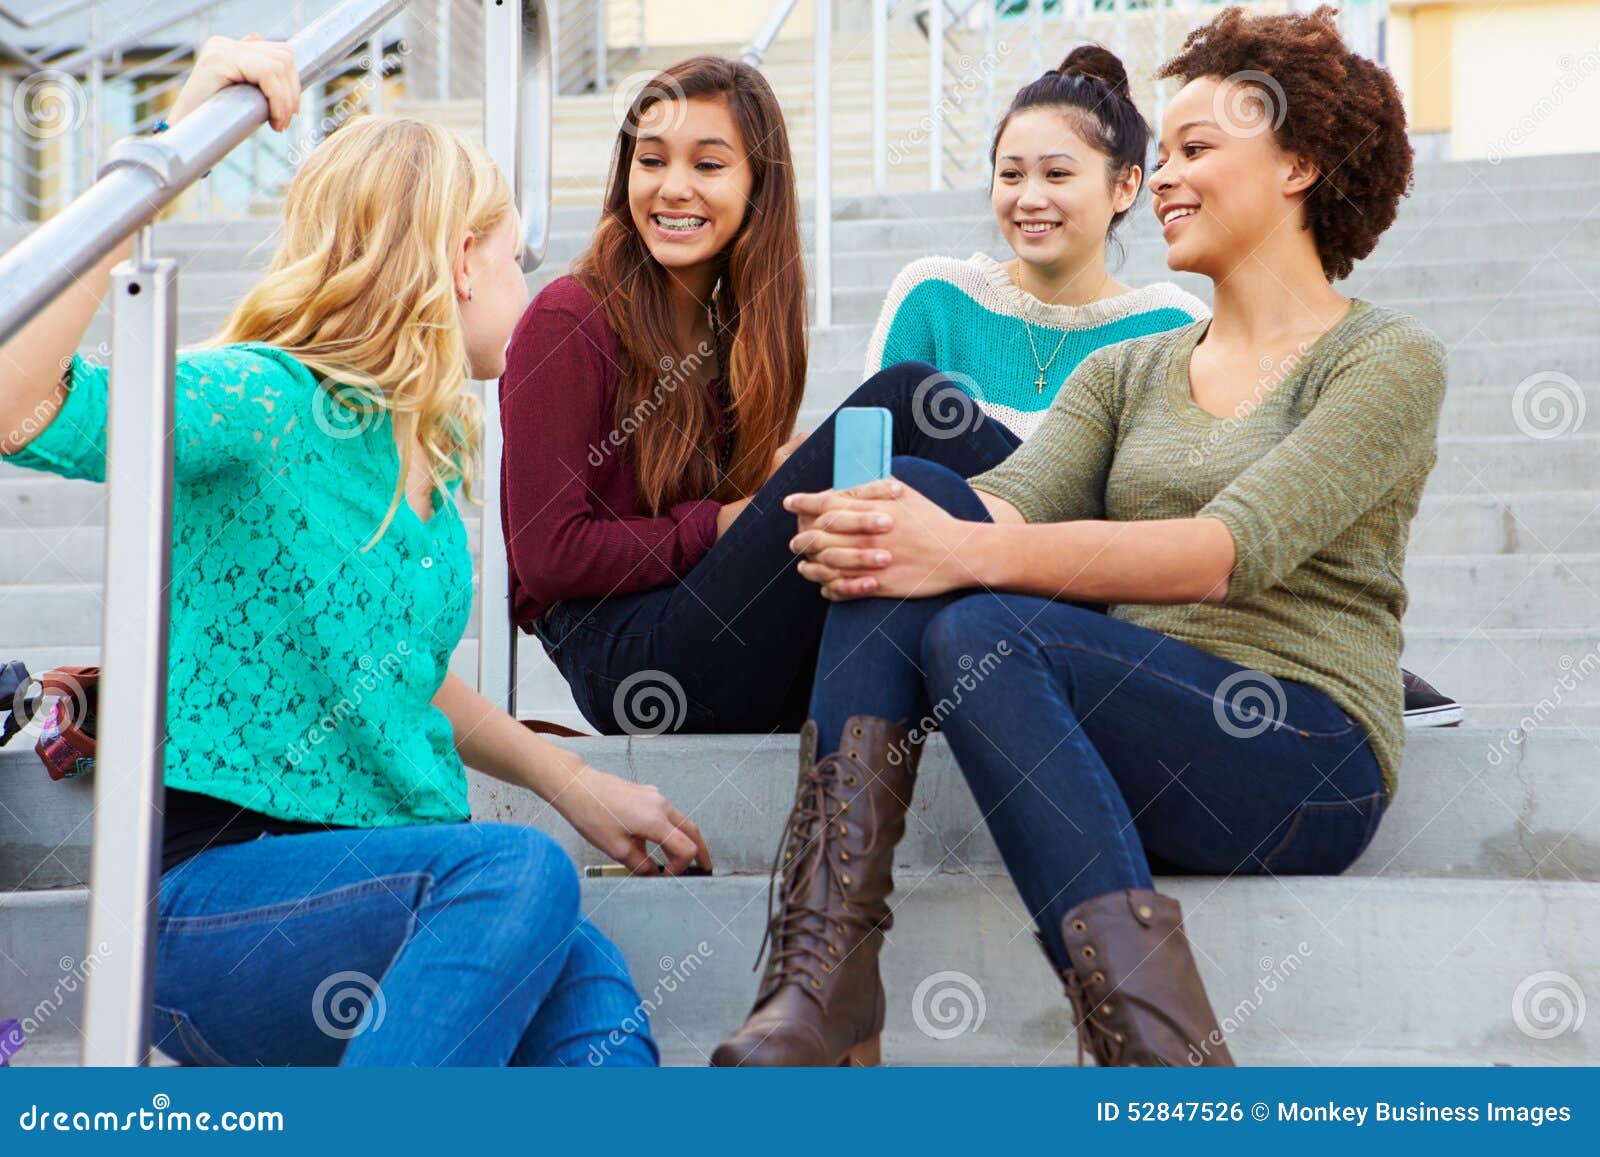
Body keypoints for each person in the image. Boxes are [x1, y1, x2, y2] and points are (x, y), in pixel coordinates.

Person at [715, 5, 1446, 1068]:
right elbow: (1000, 505)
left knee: (981, 624)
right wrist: (887, 530)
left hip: (1297, 754)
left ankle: (1160, 1059)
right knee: (918, 494)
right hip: (1134, 730)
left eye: (1198, 149)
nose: (1170, 177)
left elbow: (1223, 547)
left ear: (1299, 164)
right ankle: (821, 974)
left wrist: (957, 551)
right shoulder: (1129, 371)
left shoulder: (1383, 357)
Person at [0, 35, 708, 1067]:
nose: (525, 284)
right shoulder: (263, 398)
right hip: (225, 904)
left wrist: (573, 781)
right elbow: (18, 406)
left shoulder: (417, 451)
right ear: (459, 258)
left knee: (597, 1010)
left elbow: (404, 678)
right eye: (513, 254)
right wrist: (158, 154)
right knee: (520, 875)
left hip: (394, 883)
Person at [501, 51, 1207, 735]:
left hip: (720, 635)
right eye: (651, 161)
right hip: (633, 659)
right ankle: (1120, 590)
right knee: (905, 401)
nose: (674, 186)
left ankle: (1092, 626)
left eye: (708, 164)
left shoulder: (734, 337)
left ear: (758, 187)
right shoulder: (571, 318)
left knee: (892, 500)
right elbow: (547, 555)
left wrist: (775, 488)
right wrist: (726, 521)